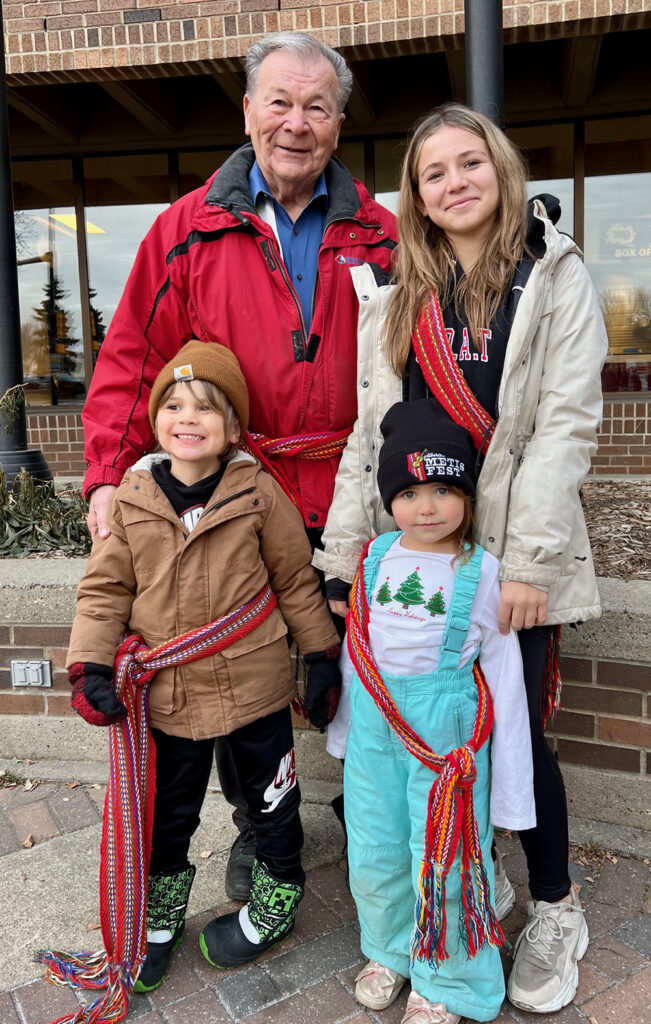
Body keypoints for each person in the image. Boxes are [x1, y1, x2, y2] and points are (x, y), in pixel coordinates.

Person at [80, 31, 397, 900]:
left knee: (354, 662)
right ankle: (260, 830)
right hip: (236, 491)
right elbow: (132, 359)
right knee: (236, 675)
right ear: (248, 110)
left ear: (338, 122)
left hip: (355, 493)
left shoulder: (380, 233)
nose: (297, 123)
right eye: (280, 103)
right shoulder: (184, 229)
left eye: (317, 106)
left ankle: (355, 812)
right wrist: (108, 473)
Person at [314, 103, 608, 1016]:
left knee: (513, 736)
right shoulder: (397, 294)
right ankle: (439, 913)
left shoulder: (553, 277)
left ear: (501, 168)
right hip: (412, 560)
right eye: (431, 172)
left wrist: (524, 564)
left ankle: (554, 906)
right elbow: (371, 438)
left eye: (467, 163)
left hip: (504, 561)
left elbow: (563, 426)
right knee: (415, 747)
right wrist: (343, 556)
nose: (452, 182)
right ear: (417, 196)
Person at [67, 340, 342, 990]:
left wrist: (320, 656)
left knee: (270, 798)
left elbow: (295, 580)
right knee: (169, 811)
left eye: (206, 408)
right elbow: (105, 591)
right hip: (170, 694)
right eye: (174, 404)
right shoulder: (134, 497)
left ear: (234, 427)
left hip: (256, 686)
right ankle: (159, 919)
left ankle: (277, 894)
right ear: (158, 417)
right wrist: (90, 666)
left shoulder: (256, 491)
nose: (187, 419)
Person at [344, 399, 534, 1024]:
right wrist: (346, 735)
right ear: (389, 498)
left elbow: (504, 680)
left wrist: (510, 792)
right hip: (375, 730)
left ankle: (447, 980)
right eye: (410, 491)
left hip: (445, 735)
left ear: (468, 496)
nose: (426, 508)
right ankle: (392, 949)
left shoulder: (482, 573)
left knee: (446, 855)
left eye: (444, 489)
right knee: (375, 845)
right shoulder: (374, 561)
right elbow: (358, 655)